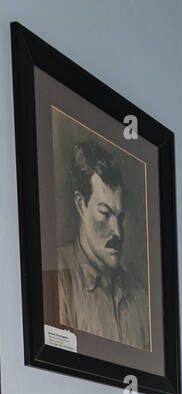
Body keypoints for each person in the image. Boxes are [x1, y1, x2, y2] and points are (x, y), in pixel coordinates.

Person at [56, 141, 150, 349]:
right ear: (81, 205)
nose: (117, 231)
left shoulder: (140, 299)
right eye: (105, 213)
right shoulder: (57, 277)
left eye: (120, 216)